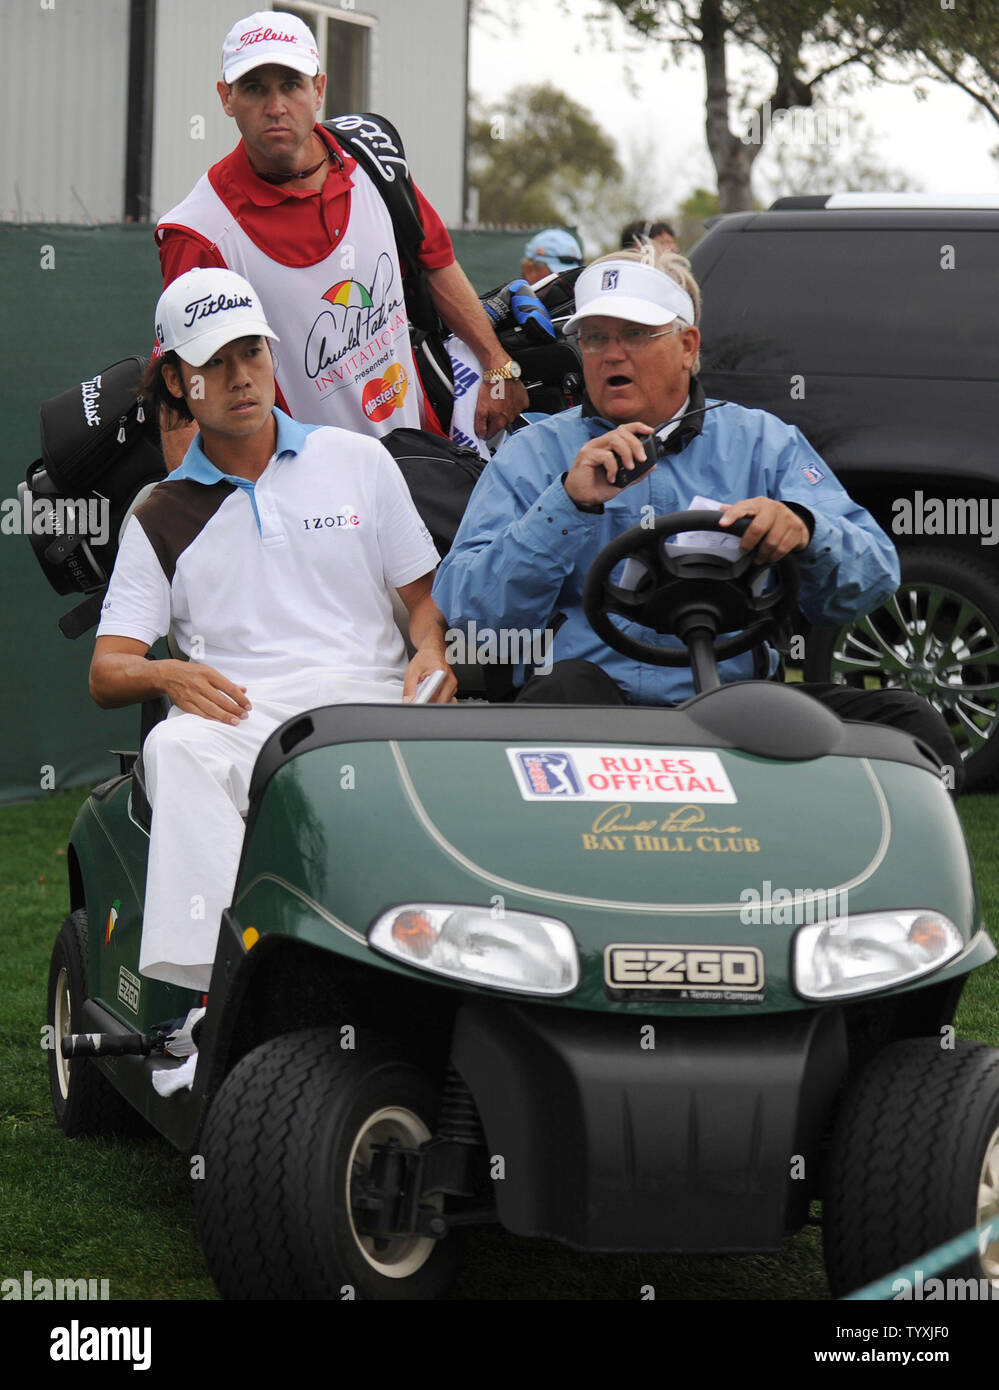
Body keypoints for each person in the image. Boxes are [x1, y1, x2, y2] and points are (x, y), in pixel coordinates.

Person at [432, 248, 963, 783]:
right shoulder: (536, 453)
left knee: (912, 726)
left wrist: (805, 529)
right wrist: (568, 503)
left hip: (742, 710)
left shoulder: (762, 443)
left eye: (635, 335)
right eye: (595, 337)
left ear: (688, 347)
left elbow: (873, 579)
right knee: (565, 691)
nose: (611, 355)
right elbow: (472, 620)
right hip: (590, 716)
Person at [90, 267, 456, 994]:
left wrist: (430, 651)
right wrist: (167, 674)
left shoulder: (358, 459)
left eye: (252, 352)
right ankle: (223, 998)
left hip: (372, 702)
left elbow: (424, 601)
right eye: (214, 364)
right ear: (176, 382)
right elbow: (108, 670)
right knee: (176, 743)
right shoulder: (158, 511)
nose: (241, 377)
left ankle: (454, 980)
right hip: (243, 716)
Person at [156, 10, 527, 467]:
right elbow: (182, 395)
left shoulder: (372, 157)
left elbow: (435, 262)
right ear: (226, 98)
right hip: (309, 500)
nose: (276, 107)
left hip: (425, 460)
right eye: (254, 88)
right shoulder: (198, 231)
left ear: (319, 89)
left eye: (291, 85)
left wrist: (497, 364)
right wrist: (194, 515)